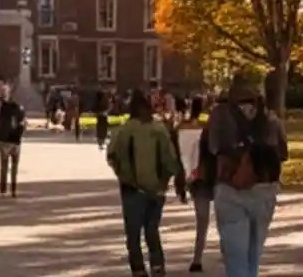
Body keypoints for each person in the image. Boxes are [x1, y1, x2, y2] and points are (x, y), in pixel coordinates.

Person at [209, 84, 290, 277]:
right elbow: (283, 153)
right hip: (265, 188)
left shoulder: (220, 117)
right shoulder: (271, 120)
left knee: (235, 256)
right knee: (254, 252)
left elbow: (213, 149)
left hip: (230, 187)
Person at [107, 90, 181, 277]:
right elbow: (170, 159)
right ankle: (156, 266)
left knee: (134, 234)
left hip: (133, 189)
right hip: (154, 189)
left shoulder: (125, 130)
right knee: (151, 231)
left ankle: (139, 268)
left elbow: (113, 155)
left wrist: (124, 175)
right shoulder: (158, 130)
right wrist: (165, 180)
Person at [178, 96, 216, 273]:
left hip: (200, 180)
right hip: (218, 179)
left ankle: (197, 258)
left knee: (202, 221)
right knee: (226, 220)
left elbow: (187, 156)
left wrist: (186, 178)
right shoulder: (213, 127)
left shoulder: (185, 127)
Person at [0, 85, 26, 197]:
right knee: (14, 167)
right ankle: (13, 189)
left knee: (4, 166)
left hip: (3, 140)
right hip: (15, 140)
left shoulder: (2, 108)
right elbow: (23, 124)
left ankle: (3, 189)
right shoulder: (20, 108)